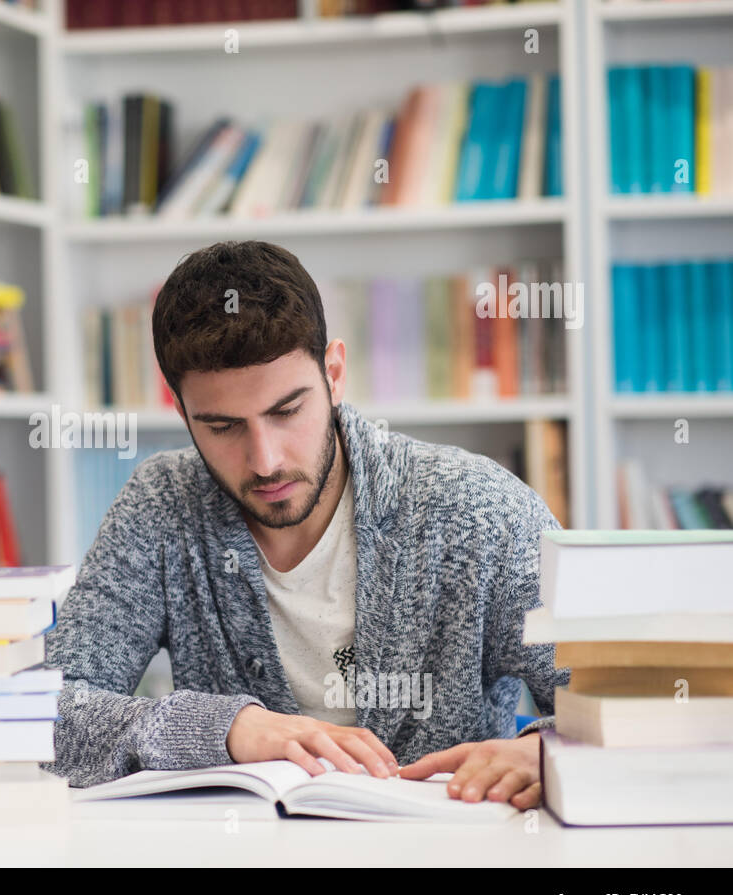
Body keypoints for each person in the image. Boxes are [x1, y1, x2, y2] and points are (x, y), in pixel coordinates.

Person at [42, 240, 569, 810]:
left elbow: (633, 710)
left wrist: (541, 749)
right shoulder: (161, 508)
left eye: (287, 411)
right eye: (222, 426)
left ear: (334, 373)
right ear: (181, 412)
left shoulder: (479, 511)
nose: (265, 460)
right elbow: (43, 717)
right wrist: (228, 728)